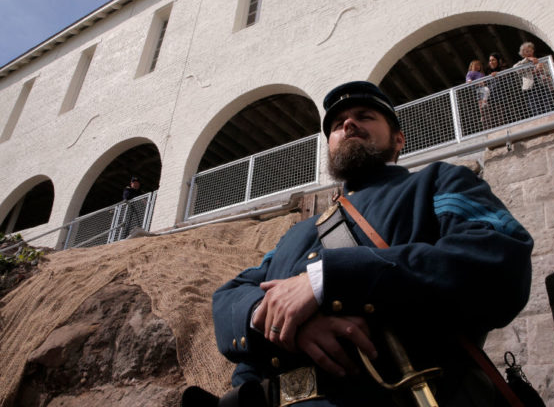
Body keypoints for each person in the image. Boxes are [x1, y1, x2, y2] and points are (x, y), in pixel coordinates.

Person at [211, 81, 533, 406]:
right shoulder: (297, 233)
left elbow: (498, 260)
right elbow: (229, 298)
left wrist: (324, 280)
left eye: (364, 116)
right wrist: (292, 325)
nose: (348, 123)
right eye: (337, 125)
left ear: (398, 140)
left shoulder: (438, 182)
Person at [514, 42, 554, 118]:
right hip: (531, 88)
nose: (530, 53)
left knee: (548, 104)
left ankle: (552, 118)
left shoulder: (541, 60)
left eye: (531, 50)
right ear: (523, 54)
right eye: (527, 52)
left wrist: (542, 69)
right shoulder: (522, 64)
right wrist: (527, 60)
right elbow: (515, 69)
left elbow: (548, 72)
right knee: (535, 107)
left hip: (544, 85)